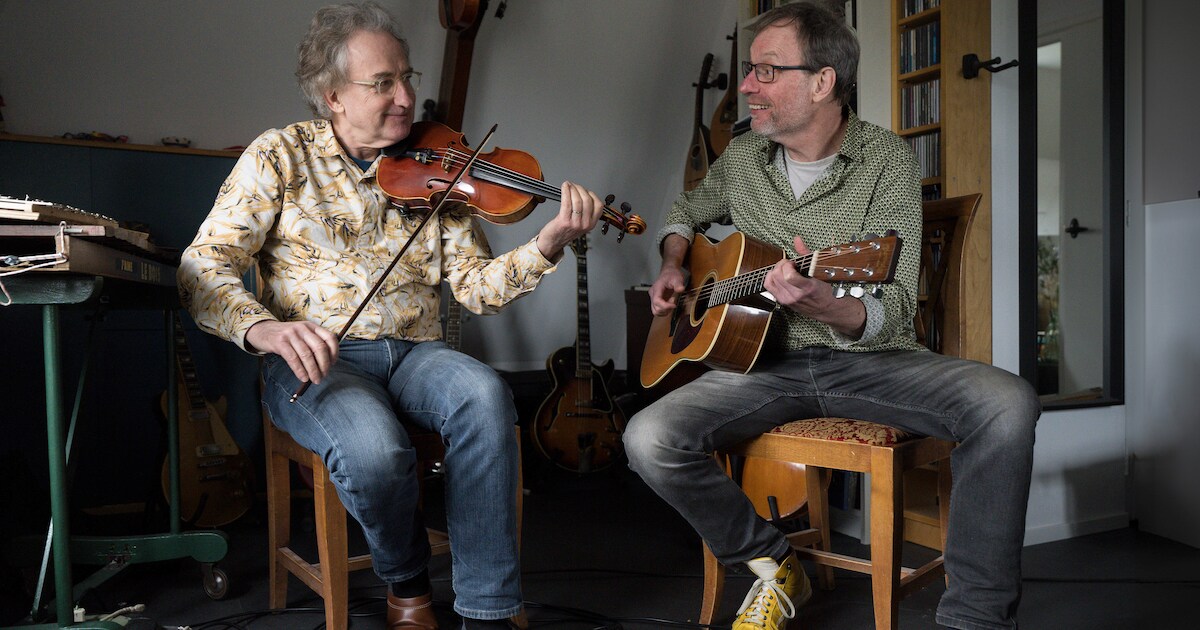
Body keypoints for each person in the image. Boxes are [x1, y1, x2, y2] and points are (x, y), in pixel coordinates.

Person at [177, 3, 606, 628]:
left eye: (408, 78)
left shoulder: (439, 166)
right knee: (375, 450)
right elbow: (202, 267)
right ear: (332, 96)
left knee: (485, 393)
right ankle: (407, 587)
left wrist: (547, 244)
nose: (406, 98)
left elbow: (475, 288)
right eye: (383, 84)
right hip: (315, 362)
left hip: (416, 354)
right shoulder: (280, 157)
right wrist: (265, 328)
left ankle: (487, 610)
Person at [623, 3, 1040, 630]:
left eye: (766, 71)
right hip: (764, 364)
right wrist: (676, 261)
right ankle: (770, 560)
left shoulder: (887, 162)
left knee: (1008, 404)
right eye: (750, 70)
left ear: (823, 83)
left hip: (872, 364)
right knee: (647, 439)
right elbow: (687, 205)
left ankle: (974, 619)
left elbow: (895, 305)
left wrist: (828, 303)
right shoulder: (741, 159)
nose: (747, 86)